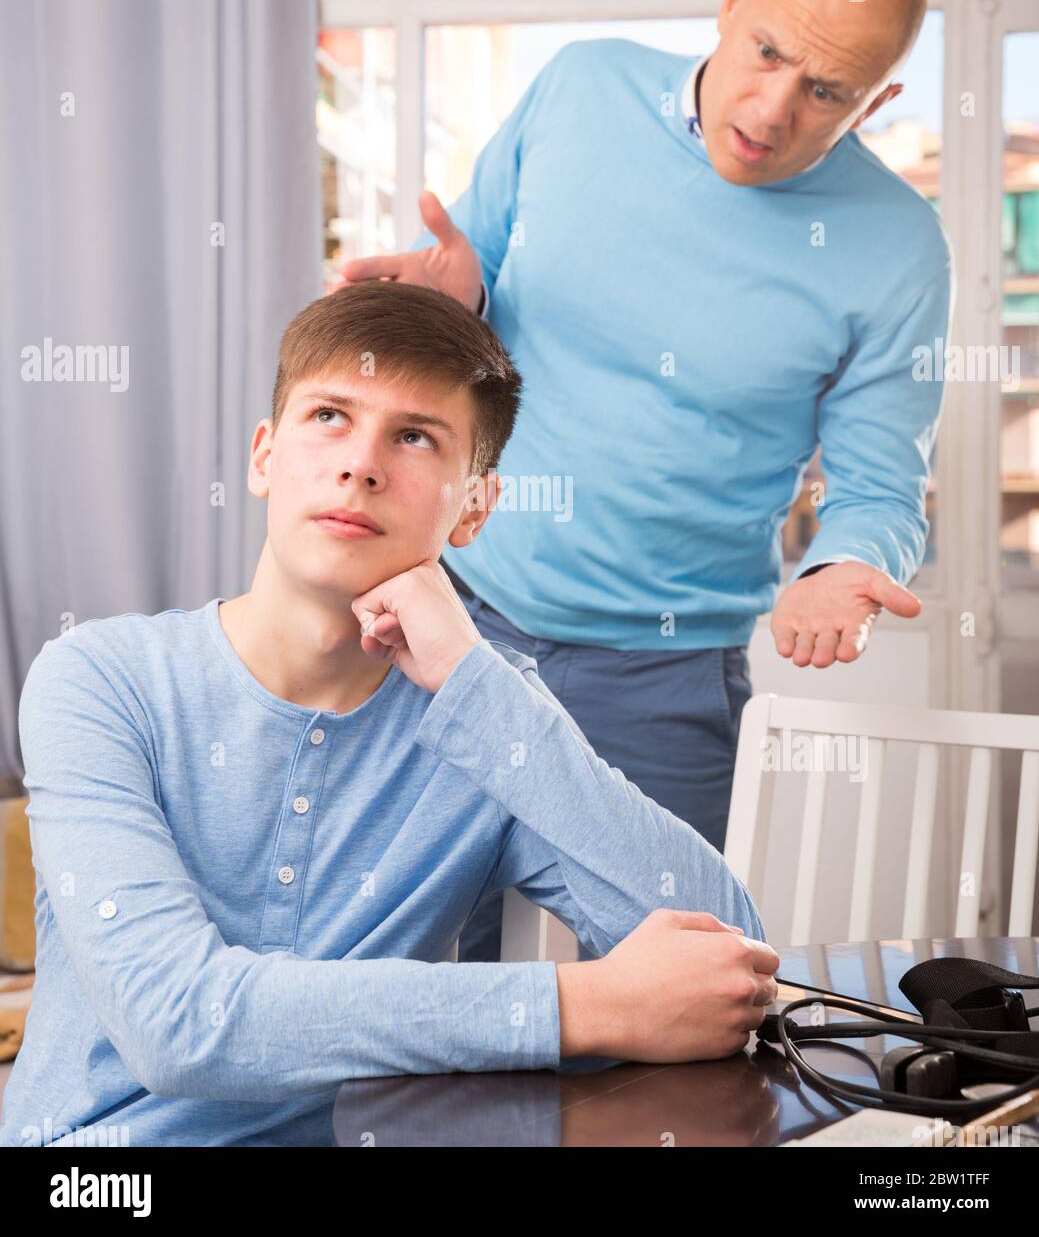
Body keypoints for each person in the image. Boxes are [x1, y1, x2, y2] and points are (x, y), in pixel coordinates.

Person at [0, 281, 777, 1148]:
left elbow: (728, 959)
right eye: (329, 416)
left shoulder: (483, 710)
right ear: (265, 456)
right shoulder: (99, 679)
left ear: (474, 508)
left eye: (413, 437)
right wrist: (583, 1005)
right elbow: (179, 1024)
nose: (360, 464)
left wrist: (473, 678)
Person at [342, 0, 952, 962]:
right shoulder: (580, 88)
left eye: (827, 92)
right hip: (458, 624)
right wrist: (463, 294)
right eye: (768, 51)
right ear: (729, 2)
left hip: (662, 683)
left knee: (680, 993)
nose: (769, 112)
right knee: (411, 974)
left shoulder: (898, 245)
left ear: (876, 104)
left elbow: (881, 483)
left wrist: (845, 563)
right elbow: (474, 277)